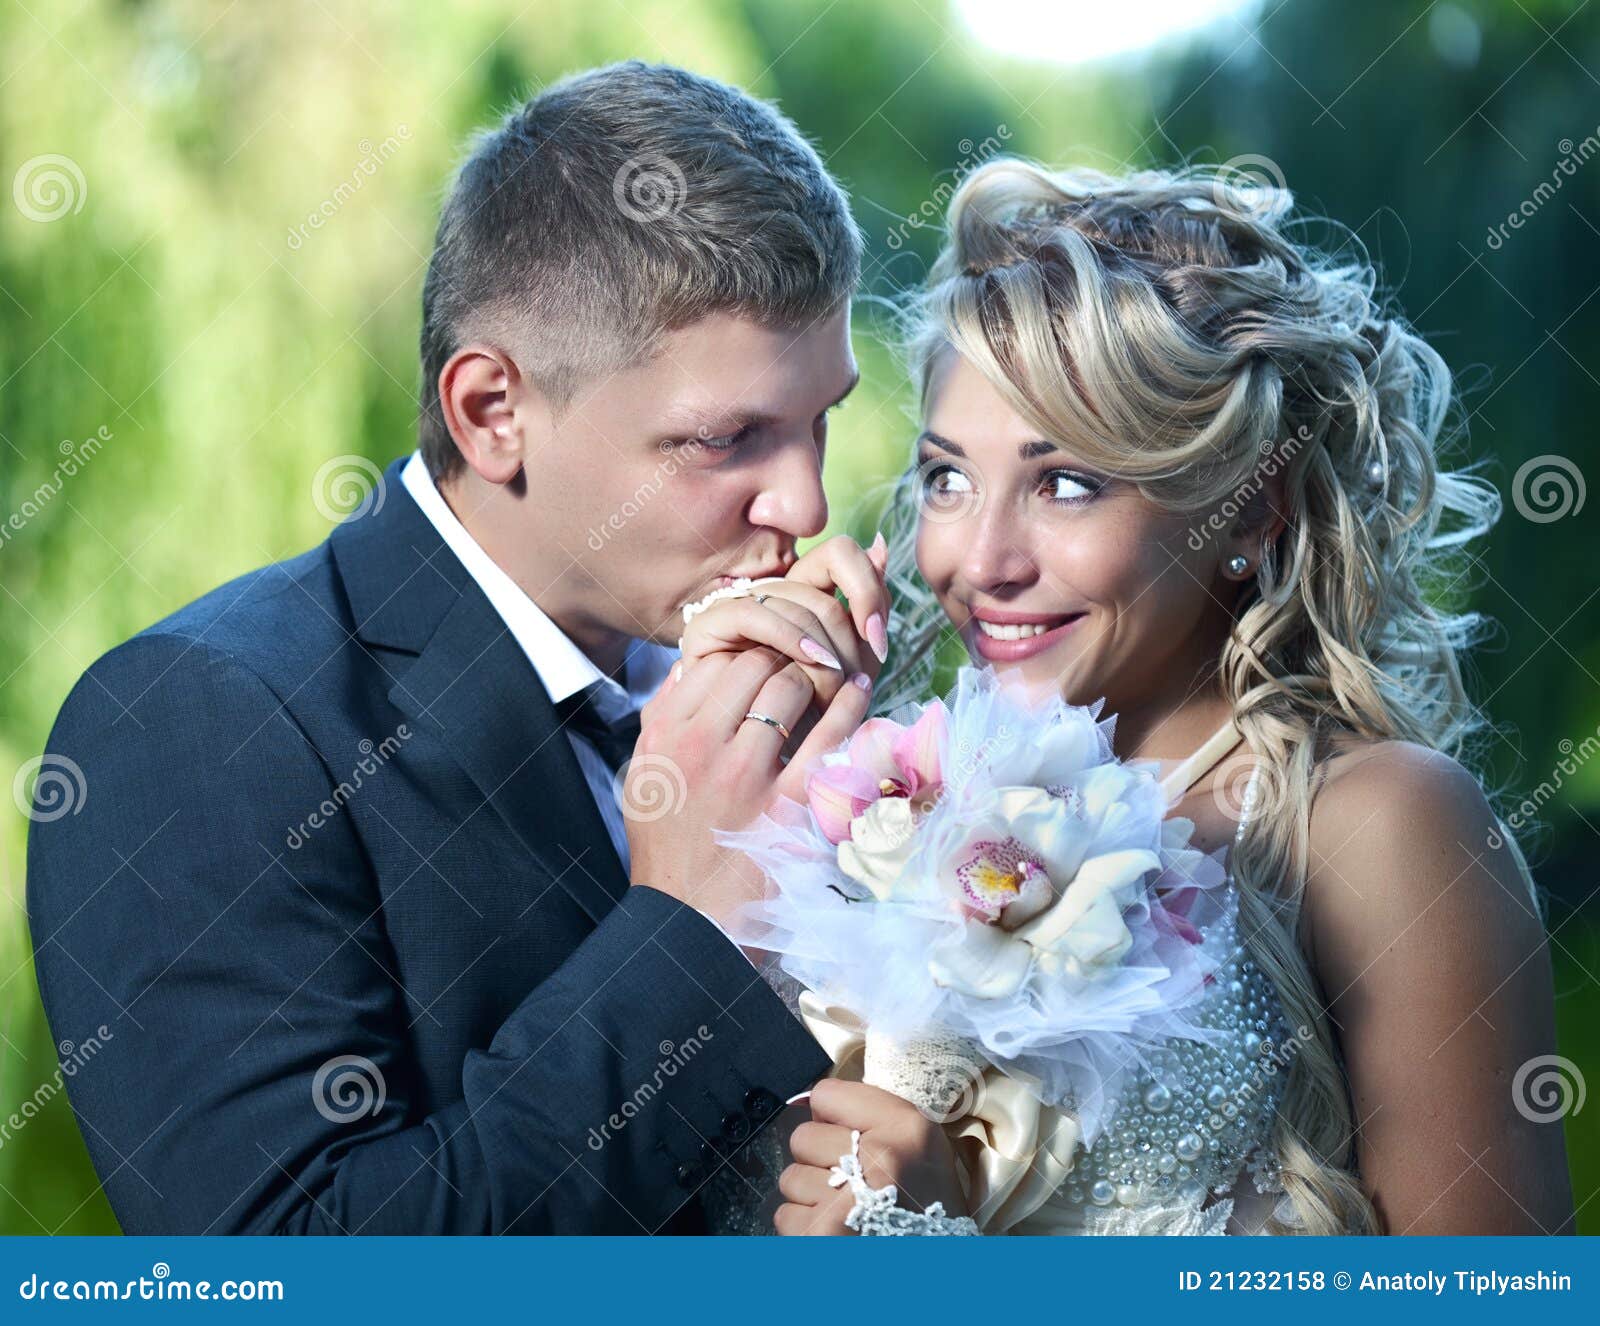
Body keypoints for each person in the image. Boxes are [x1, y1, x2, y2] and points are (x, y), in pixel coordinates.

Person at [26, 60, 888, 1235]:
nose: (803, 503)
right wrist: (690, 933)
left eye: (818, 420)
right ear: (493, 412)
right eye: (724, 440)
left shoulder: (780, 703)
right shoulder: (201, 722)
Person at [675, 158, 1576, 1235]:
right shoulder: (874, 791)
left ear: (1250, 512)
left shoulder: (1379, 825)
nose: (982, 560)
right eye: (948, 478)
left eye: (1066, 484)